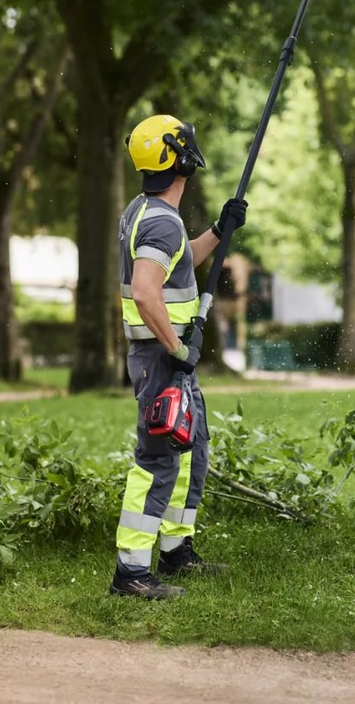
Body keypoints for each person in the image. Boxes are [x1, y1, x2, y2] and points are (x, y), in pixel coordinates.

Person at [109, 113, 247, 599]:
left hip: (166, 357)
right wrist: (177, 347)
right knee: (158, 462)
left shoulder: (147, 212)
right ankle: (131, 573)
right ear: (179, 157)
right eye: (186, 143)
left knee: (192, 452)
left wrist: (218, 231)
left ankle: (175, 551)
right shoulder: (159, 222)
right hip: (161, 357)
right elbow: (148, 293)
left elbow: (175, 258)